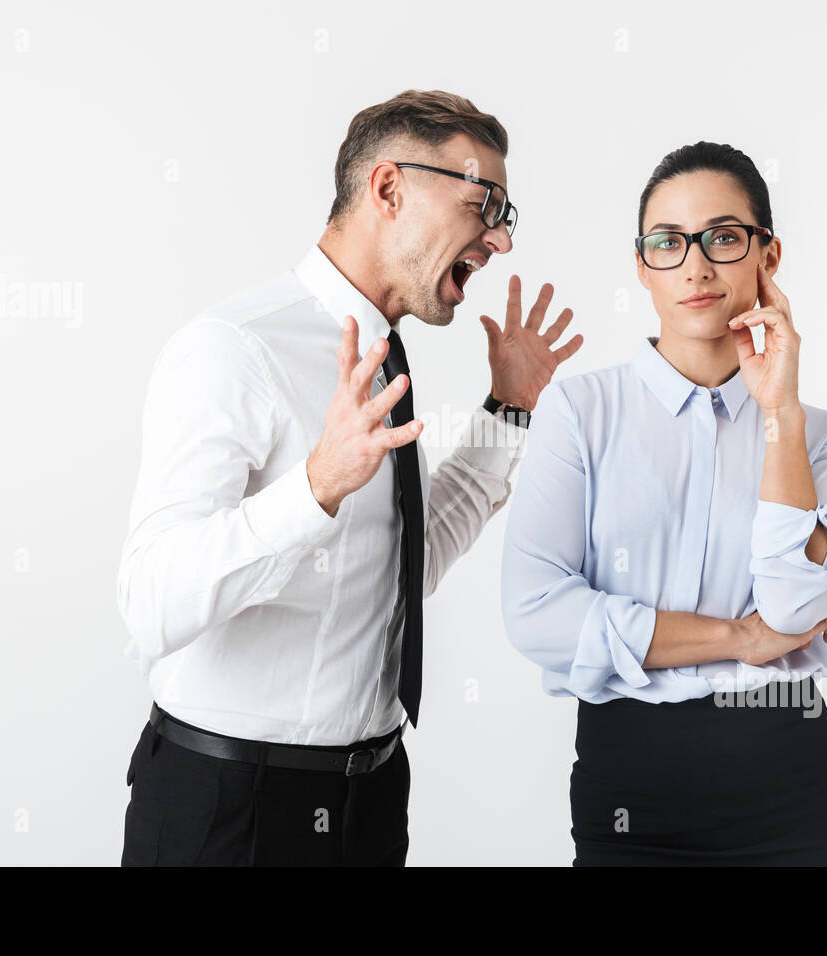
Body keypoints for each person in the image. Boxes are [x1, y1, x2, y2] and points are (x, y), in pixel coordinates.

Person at [117, 89, 582, 866]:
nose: (498, 241)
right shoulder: (233, 348)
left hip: (369, 802)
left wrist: (507, 411)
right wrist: (314, 488)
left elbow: (408, 567)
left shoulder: (384, 355)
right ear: (390, 188)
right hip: (230, 814)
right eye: (483, 205)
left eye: (506, 215)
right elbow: (148, 606)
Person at [500, 141, 827, 866]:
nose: (695, 266)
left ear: (768, 256)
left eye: (724, 238)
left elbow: (793, 611)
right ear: (641, 264)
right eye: (667, 243)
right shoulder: (581, 410)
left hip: (792, 789)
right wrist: (740, 639)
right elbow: (537, 615)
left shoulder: (814, 433)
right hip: (632, 792)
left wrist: (780, 415)